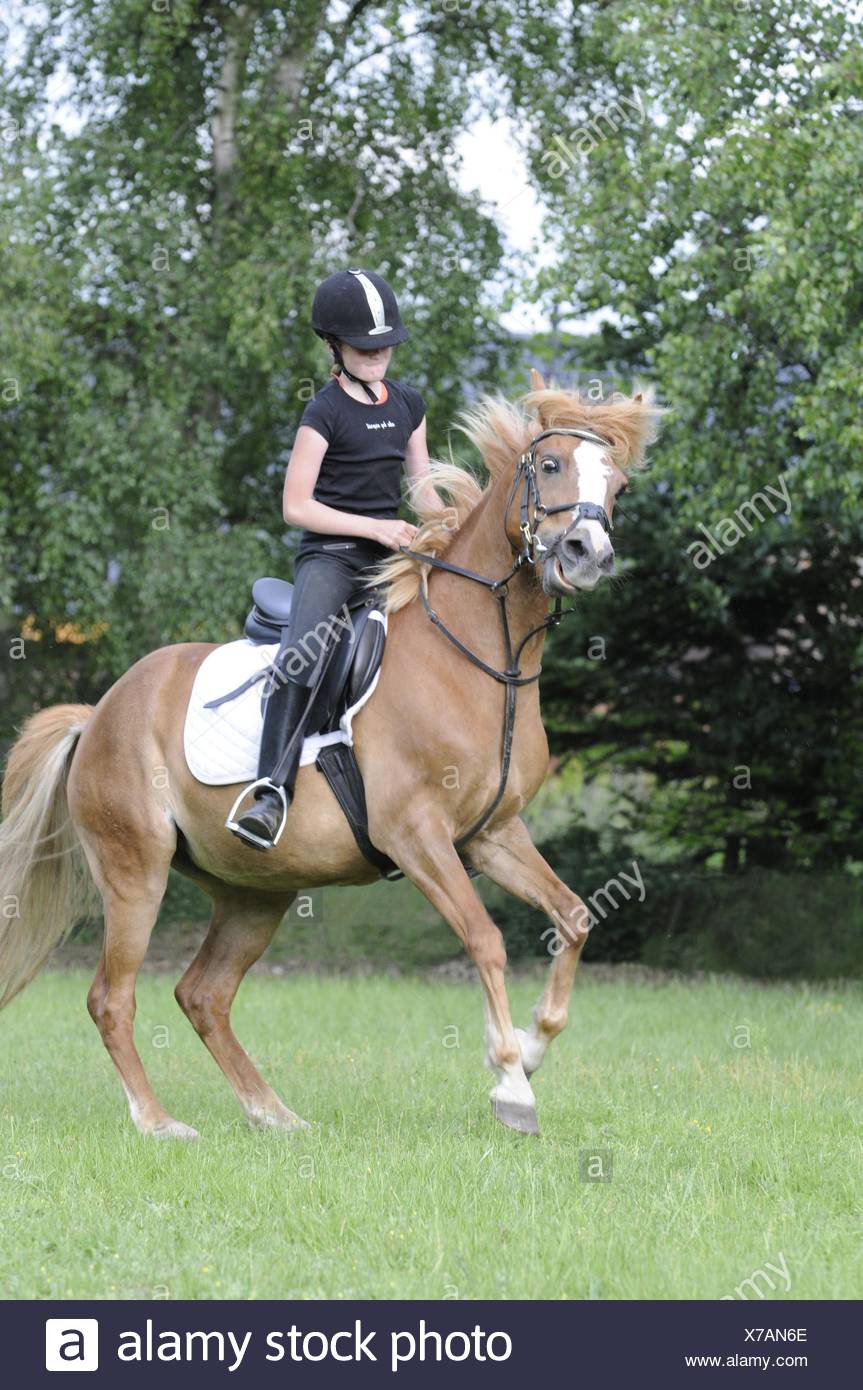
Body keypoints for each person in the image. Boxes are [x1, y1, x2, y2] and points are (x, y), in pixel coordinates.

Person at [229, 267, 446, 850]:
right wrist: (376, 526)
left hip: (394, 557)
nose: (378, 356)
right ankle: (270, 793)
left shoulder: (409, 404)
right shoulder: (323, 413)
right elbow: (295, 505)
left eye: (385, 347)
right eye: (364, 347)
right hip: (333, 556)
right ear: (335, 346)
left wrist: (449, 530)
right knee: (304, 653)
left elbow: (421, 490)